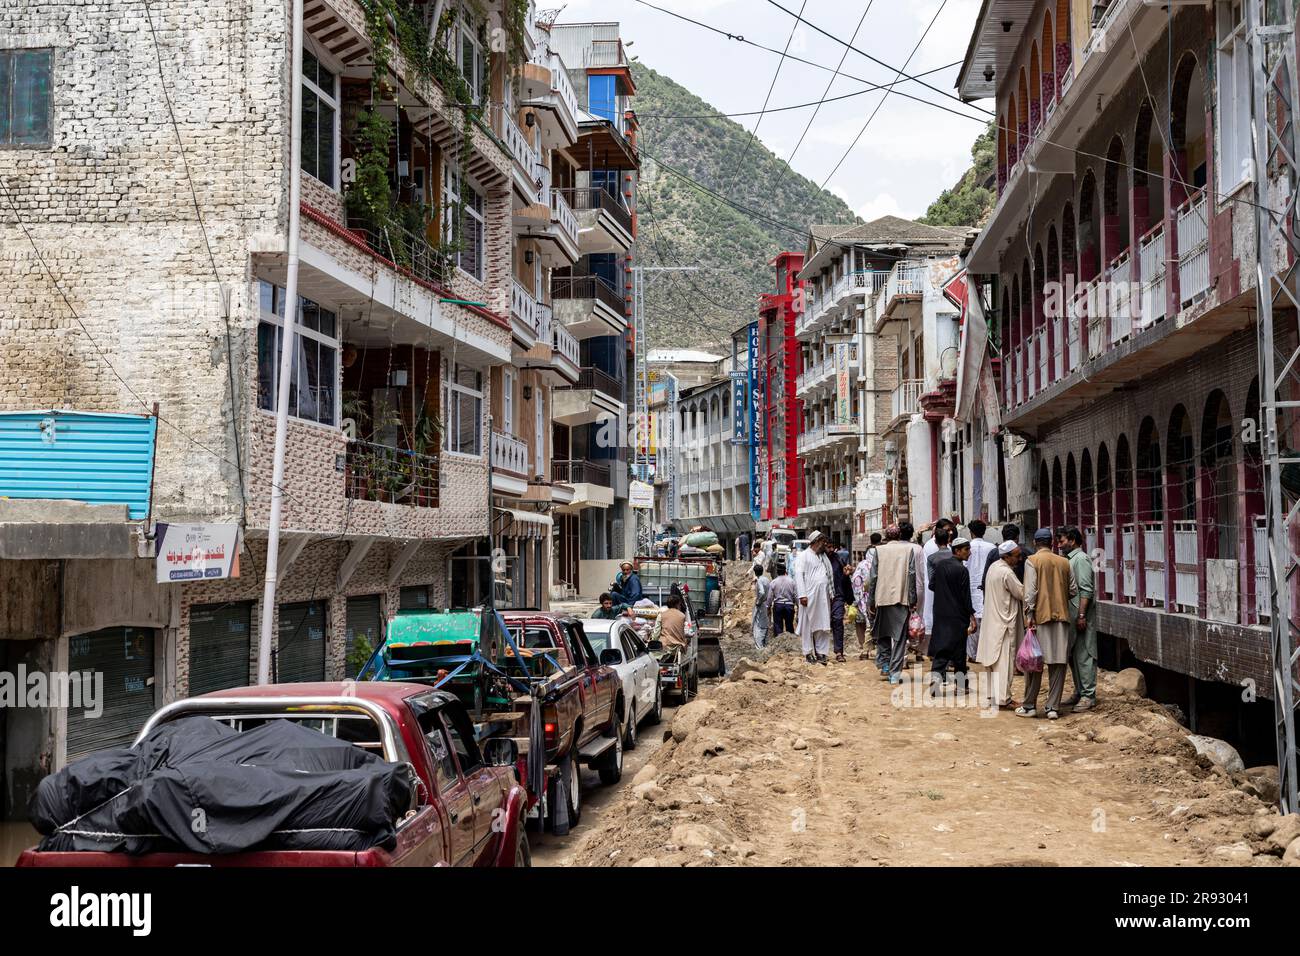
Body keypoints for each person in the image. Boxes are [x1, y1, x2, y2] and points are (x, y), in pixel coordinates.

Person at [1019, 528, 1079, 720]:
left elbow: (1030, 592)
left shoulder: (1032, 561)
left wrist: (1029, 614)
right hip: (1062, 617)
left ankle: (1029, 706)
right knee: (1058, 663)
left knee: (1034, 662)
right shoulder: (1064, 562)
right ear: (1052, 543)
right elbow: (1073, 590)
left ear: (1036, 543)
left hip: (1039, 618)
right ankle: (1052, 707)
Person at [974, 541, 1026, 709]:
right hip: (1003, 624)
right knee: (1004, 663)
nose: (1019, 559)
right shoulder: (1006, 573)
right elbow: (1022, 593)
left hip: (993, 622)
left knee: (993, 662)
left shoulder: (993, 567)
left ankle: (993, 695)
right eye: (1017, 556)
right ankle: (1004, 699)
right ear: (1006, 556)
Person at [869, 525, 918, 683]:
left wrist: (871, 600)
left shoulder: (879, 550)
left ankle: (884, 664)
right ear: (900, 535)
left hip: (882, 598)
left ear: (886, 536)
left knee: (883, 632)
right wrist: (912, 599)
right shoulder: (907, 551)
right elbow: (911, 575)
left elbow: (873, 577)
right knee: (899, 637)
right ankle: (895, 673)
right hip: (901, 598)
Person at [928, 537, 976, 693]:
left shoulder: (941, 566)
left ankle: (935, 683)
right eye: (966, 550)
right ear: (957, 551)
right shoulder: (962, 570)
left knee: (942, 649)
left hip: (941, 613)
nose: (969, 553)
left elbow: (932, 585)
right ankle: (961, 685)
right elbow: (966, 596)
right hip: (957, 616)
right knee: (959, 650)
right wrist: (971, 616)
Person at [1062, 527, 1098, 712]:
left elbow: (1086, 590)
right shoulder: (1070, 560)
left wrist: (1082, 615)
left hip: (1080, 616)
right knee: (1074, 656)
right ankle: (1080, 691)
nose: (1060, 545)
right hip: (1072, 616)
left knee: (1084, 655)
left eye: (1062, 541)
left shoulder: (1081, 559)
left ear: (1073, 541)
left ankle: (1088, 695)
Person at [794, 530, 835, 665]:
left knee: (823, 624)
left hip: (822, 597)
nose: (824, 544)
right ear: (816, 542)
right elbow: (799, 575)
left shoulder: (822, 557)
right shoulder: (804, 556)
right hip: (809, 596)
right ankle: (808, 652)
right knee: (807, 624)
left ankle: (822, 653)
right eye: (822, 542)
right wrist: (802, 595)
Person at [964, 519, 997, 661]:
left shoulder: (966, 547)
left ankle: (972, 654)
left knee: (972, 621)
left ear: (971, 532)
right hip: (986, 587)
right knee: (987, 622)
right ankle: (986, 652)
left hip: (970, 587)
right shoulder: (991, 548)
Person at [852, 532, 883, 660]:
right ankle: (876, 649)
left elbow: (855, 580)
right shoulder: (882, 563)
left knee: (864, 623)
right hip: (880, 599)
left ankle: (864, 649)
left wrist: (858, 597)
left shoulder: (862, 565)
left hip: (864, 600)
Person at [901, 521, 927, 663]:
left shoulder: (895, 549)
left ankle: (903, 656)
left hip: (901, 589)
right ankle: (917, 650)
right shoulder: (918, 549)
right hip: (918, 589)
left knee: (902, 622)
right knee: (917, 620)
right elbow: (923, 572)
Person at [827, 543, 855, 663]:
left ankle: (839, 652)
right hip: (823, 597)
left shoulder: (838, 560)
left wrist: (846, 574)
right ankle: (819, 651)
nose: (831, 549)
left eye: (832, 546)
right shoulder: (818, 560)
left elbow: (844, 579)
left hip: (838, 596)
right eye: (828, 547)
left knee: (838, 620)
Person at [983, 523, 1024, 589]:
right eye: (1017, 556)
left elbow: (985, 578)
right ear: (1017, 537)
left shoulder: (993, 553)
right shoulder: (1025, 552)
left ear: (1003, 537)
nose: (1020, 559)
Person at [751, 561, 773, 650]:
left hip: (761, 604)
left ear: (755, 572)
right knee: (765, 624)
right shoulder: (767, 580)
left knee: (757, 626)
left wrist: (759, 601)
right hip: (767, 603)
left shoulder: (759, 580)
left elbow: (762, 592)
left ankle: (759, 647)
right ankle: (764, 645)